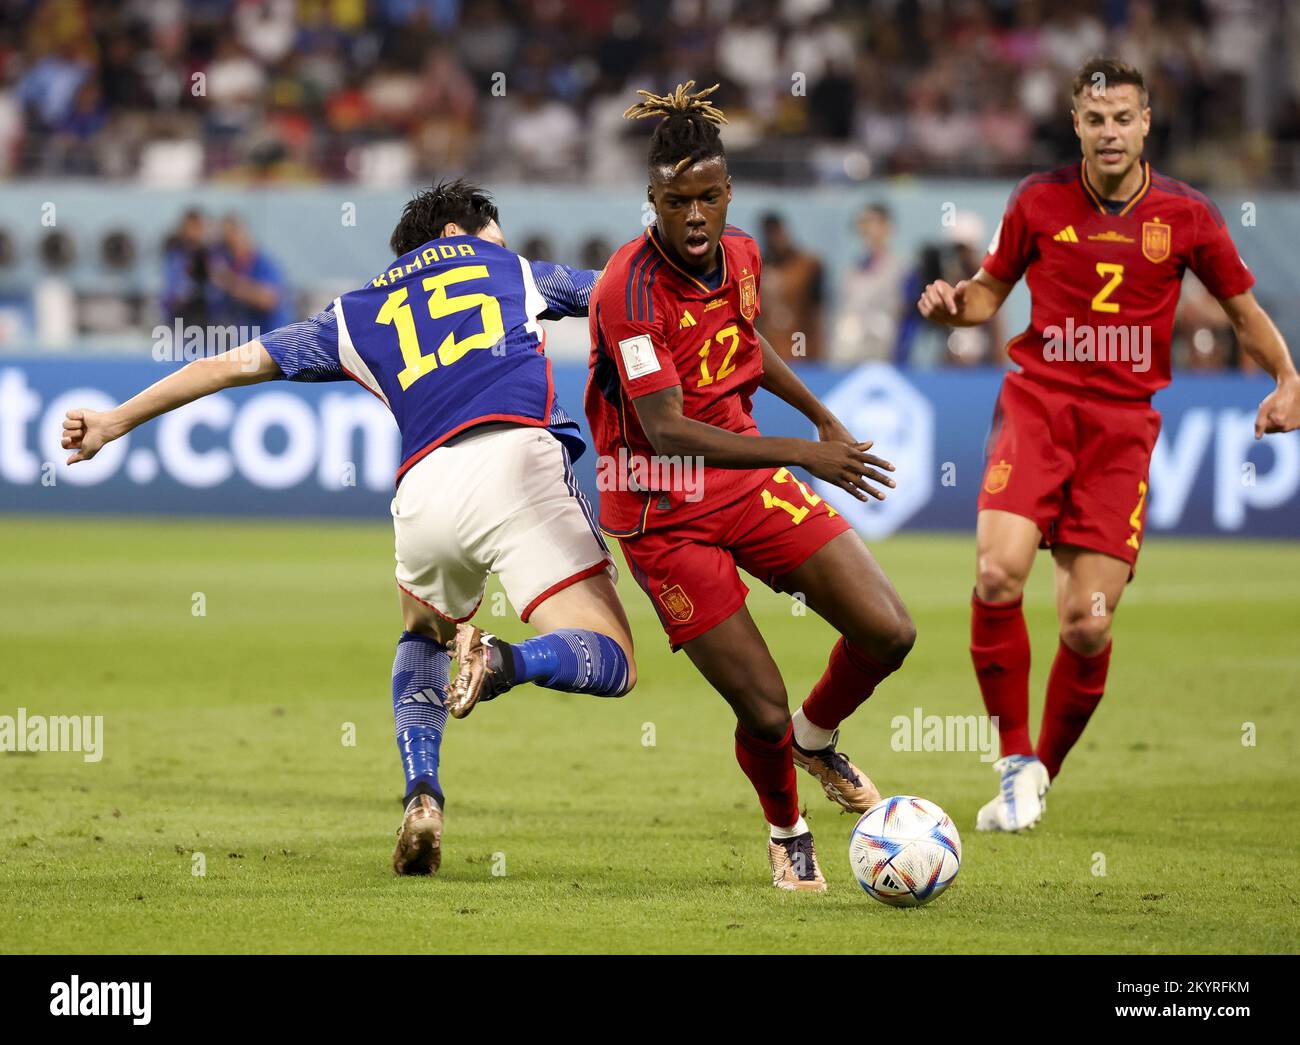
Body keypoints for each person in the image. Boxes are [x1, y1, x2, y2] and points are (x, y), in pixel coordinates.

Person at [62, 180, 637, 875]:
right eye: (496, 232)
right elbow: (623, 288)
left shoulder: (352, 311)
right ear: (459, 234)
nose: (503, 246)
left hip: (424, 491)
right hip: (517, 460)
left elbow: (229, 364)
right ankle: (505, 661)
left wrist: (113, 421)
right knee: (611, 656)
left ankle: (422, 794)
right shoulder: (511, 269)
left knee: (423, 633)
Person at [917, 58, 1300, 833]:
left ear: (1147, 122)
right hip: (1037, 406)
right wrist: (957, 309)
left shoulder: (1187, 215)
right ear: (1076, 125)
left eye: (1123, 118)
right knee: (997, 572)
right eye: (1095, 120)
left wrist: (1288, 377)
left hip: (1122, 428)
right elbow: (991, 289)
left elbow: (1242, 310)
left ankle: (1036, 776)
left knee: (1086, 623)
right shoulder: (1037, 199)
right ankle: (1013, 754)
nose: (1110, 132)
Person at [585, 83, 915, 891]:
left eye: (707, 197)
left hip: (742, 479)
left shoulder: (742, 256)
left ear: (729, 192)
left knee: (889, 631)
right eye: (674, 201)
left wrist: (822, 415)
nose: (693, 217)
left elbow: (744, 341)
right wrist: (803, 451)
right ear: (650, 202)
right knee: (758, 706)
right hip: (662, 506)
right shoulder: (626, 294)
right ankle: (786, 827)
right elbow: (664, 429)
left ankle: (817, 736)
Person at [829, 203, 907, 365]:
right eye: (863, 223)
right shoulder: (852, 271)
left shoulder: (901, 269)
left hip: (884, 351)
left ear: (887, 227)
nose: (867, 229)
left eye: (873, 222)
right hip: (850, 355)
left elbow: (905, 313)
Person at [757, 212, 824, 362]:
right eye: (770, 235)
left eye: (777, 233)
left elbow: (816, 312)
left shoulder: (807, 266)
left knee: (798, 367)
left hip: (798, 339)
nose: (775, 239)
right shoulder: (758, 268)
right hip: (770, 345)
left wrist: (815, 351)